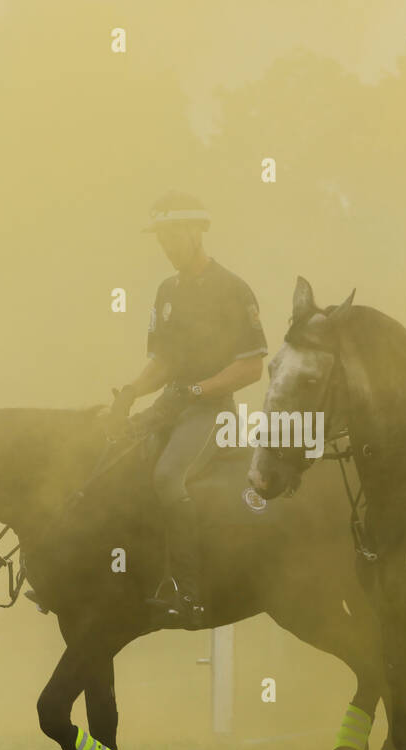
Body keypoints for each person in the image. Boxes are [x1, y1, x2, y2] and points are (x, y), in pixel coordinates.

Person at [108, 191, 267, 629]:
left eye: (172, 235)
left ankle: (188, 593)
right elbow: (164, 362)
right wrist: (130, 392)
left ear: (196, 232)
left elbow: (251, 365)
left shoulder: (233, 289)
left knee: (166, 476)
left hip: (212, 411)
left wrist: (198, 390)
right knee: (115, 460)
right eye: (160, 238)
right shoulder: (166, 291)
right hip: (171, 404)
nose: (166, 245)